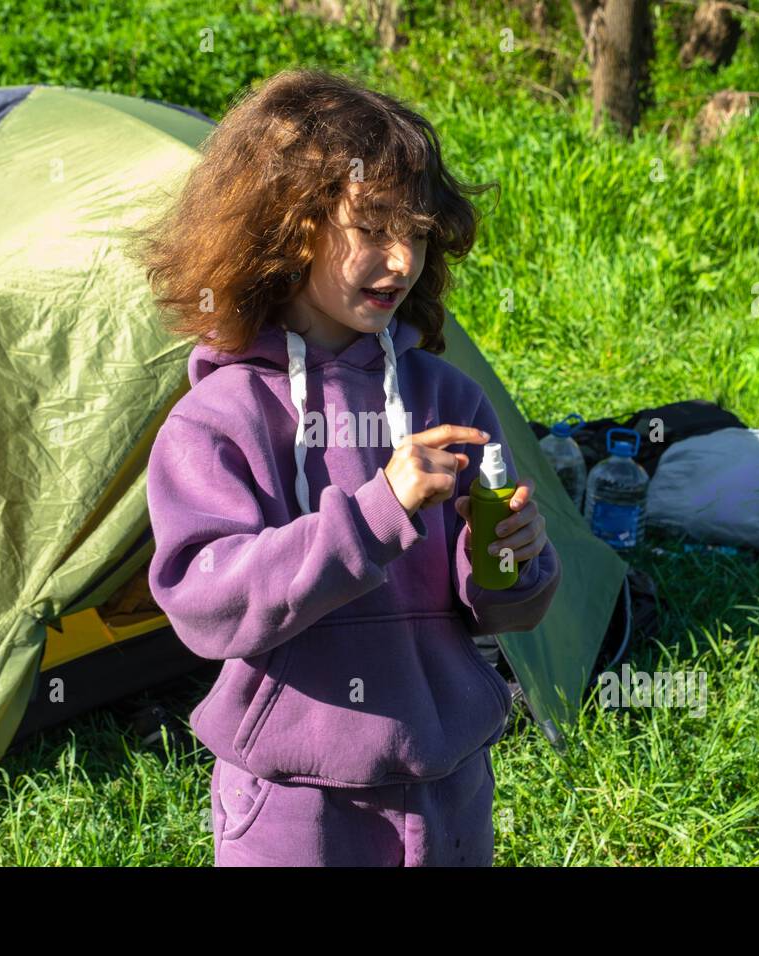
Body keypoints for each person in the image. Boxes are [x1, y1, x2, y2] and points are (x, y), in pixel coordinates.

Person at [132, 68, 561, 866]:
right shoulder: (220, 419)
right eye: (371, 228)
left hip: (448, 787)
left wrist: (509, 562)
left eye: (422, 234)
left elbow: (500, 613)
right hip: (295, 805)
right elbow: (205, 605)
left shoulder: (445, 395)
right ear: (286, 226)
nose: (401, 261)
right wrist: (377, 512)